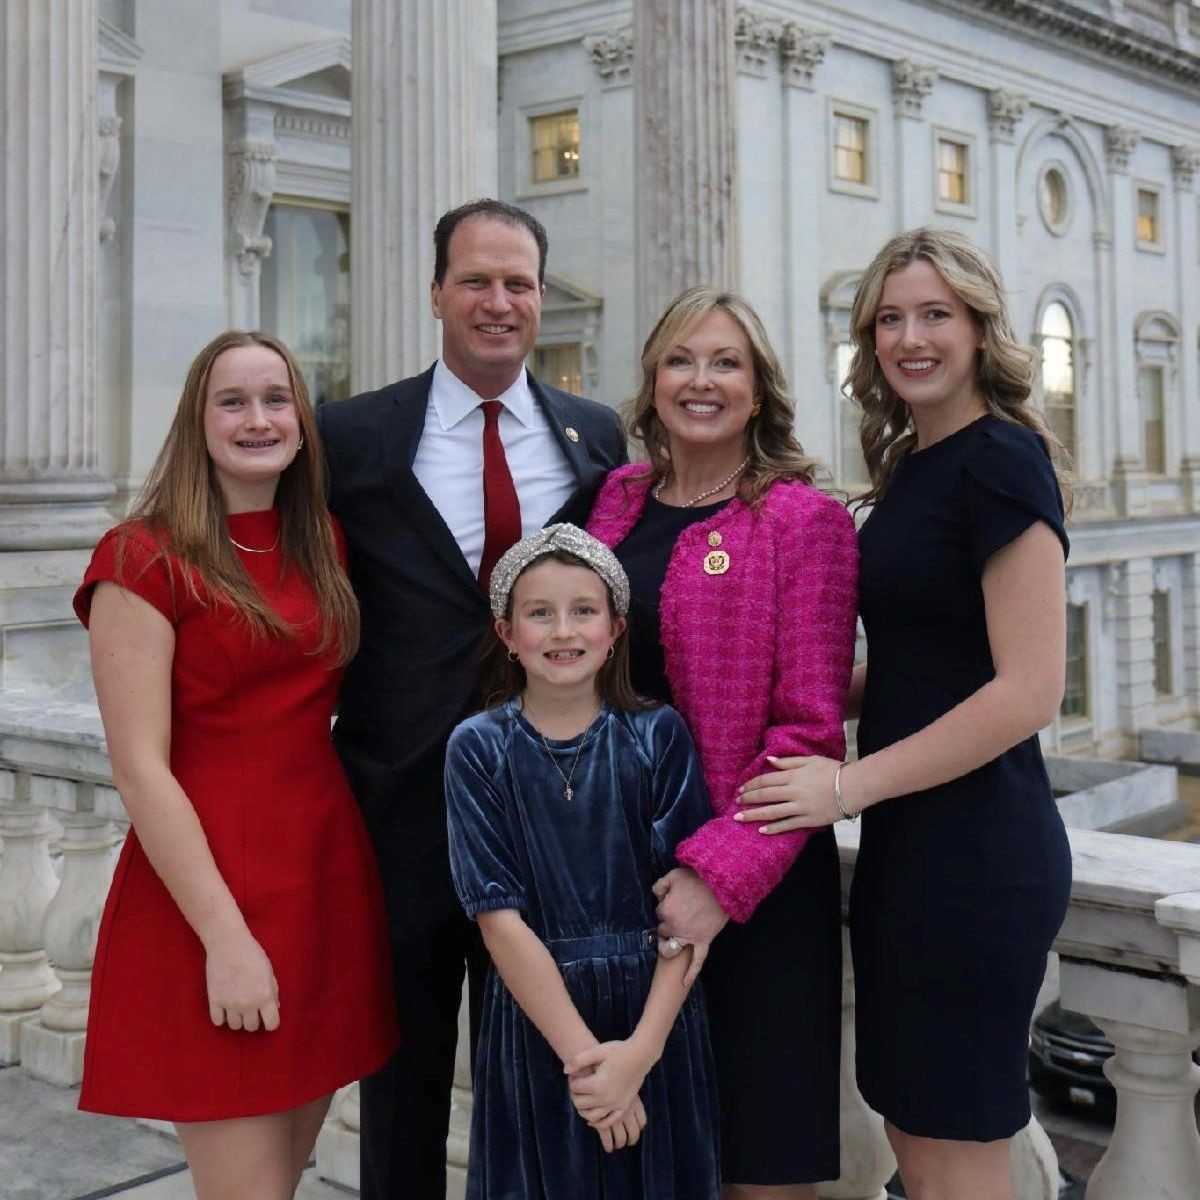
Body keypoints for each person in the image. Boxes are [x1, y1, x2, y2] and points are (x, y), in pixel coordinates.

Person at [737, 228, 1072, 1200]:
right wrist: (784, 701)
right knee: (914, 1143)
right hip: (908, 846)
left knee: (957, 1156)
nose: (910, 338)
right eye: (890, 319)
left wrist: (845, 785)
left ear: (979, 329)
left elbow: (1027, 690)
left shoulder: (1001, 459)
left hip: (977, 854)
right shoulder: (915, 466)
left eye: (935, 315)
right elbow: (925, 662)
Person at [315, 199, 626, 1199]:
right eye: (477, 281)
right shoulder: (351, 435)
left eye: (518, 283)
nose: (499, 302)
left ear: (538, 298)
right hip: (397, 807)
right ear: (437, 293)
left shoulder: (596, 437)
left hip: (552, 812)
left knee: (537, 1081)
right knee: (399, 1084)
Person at [73, 331, 398, 1200]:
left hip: (324, 881)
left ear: (302, 420)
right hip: (209, 894)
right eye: (233, 401)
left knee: (281, 1180)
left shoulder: (323, 541)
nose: (258, 419)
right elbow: (140, 770)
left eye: (276, 399)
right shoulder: (141, 557)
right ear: (199, 420)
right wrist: (226, 941)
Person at [587, 286, 859, 1199]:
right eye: (681, 360)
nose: (700, 380)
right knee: (631, 1158)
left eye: (725, 363)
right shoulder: (614, 503)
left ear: (759, 389)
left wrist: (719, 876)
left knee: (758, 1169)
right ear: (653, 381)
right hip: (619, 883)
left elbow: (808, 732)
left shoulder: (803, 522)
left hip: (753, 894)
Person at [444, 523, 720, 1199]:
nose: (563, 631)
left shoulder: (657, 735)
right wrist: (590, 1070)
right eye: (540, 613)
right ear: (507, 634)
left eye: (583, 611)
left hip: (652, 1016)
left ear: (616, 628)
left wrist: (638, 1058)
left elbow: (687, 912)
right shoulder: (478, 748)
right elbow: (498, 922)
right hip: (542, 1020)